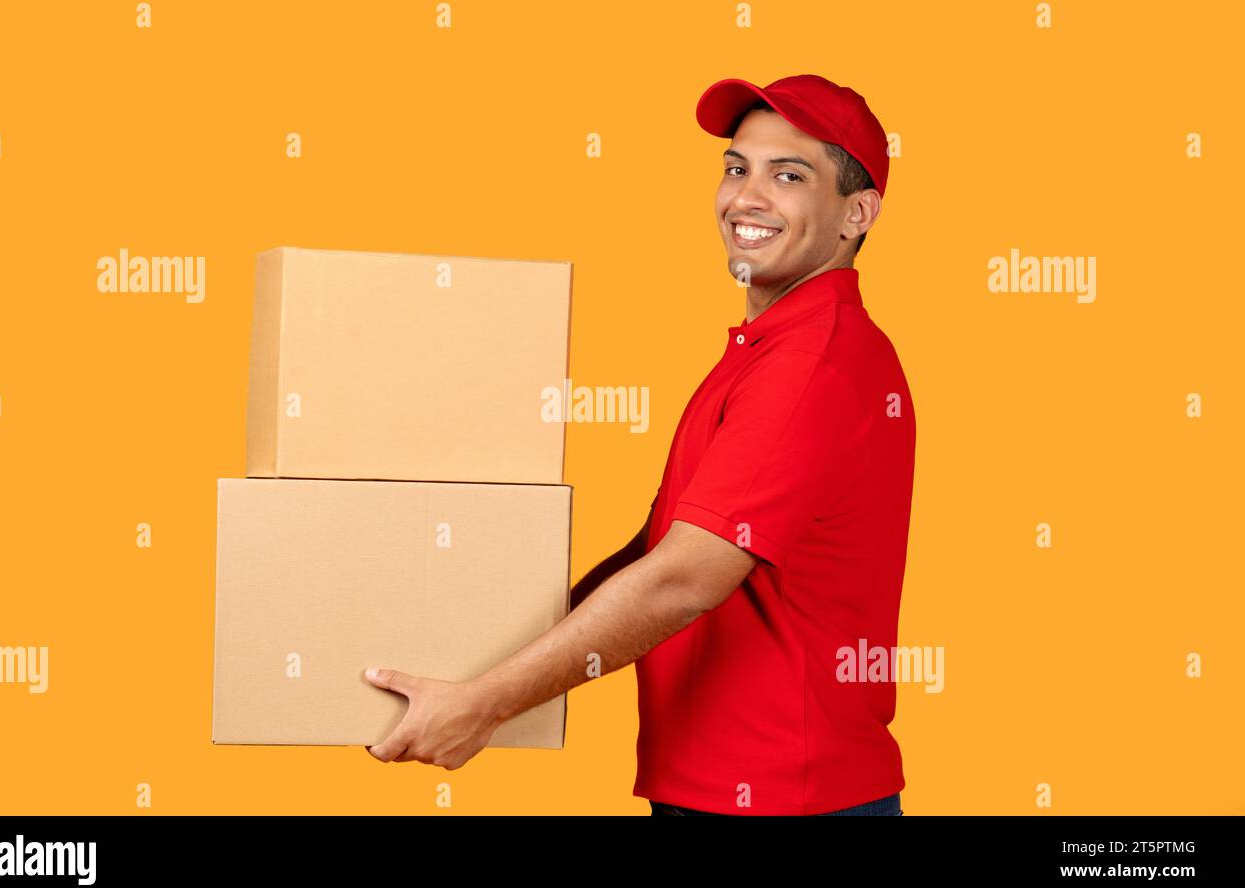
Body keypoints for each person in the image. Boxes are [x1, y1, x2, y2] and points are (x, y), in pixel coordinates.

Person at [362, 74, 916, 817]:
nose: (747, 198)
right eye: (736, 168)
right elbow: (659, 550)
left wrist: (486, 701)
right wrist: (482, 650)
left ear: (857, 212)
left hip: (787, 798)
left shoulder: (813, 365)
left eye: (789, 175)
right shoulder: (767, 350)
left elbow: (684, 578)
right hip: (716, 788)